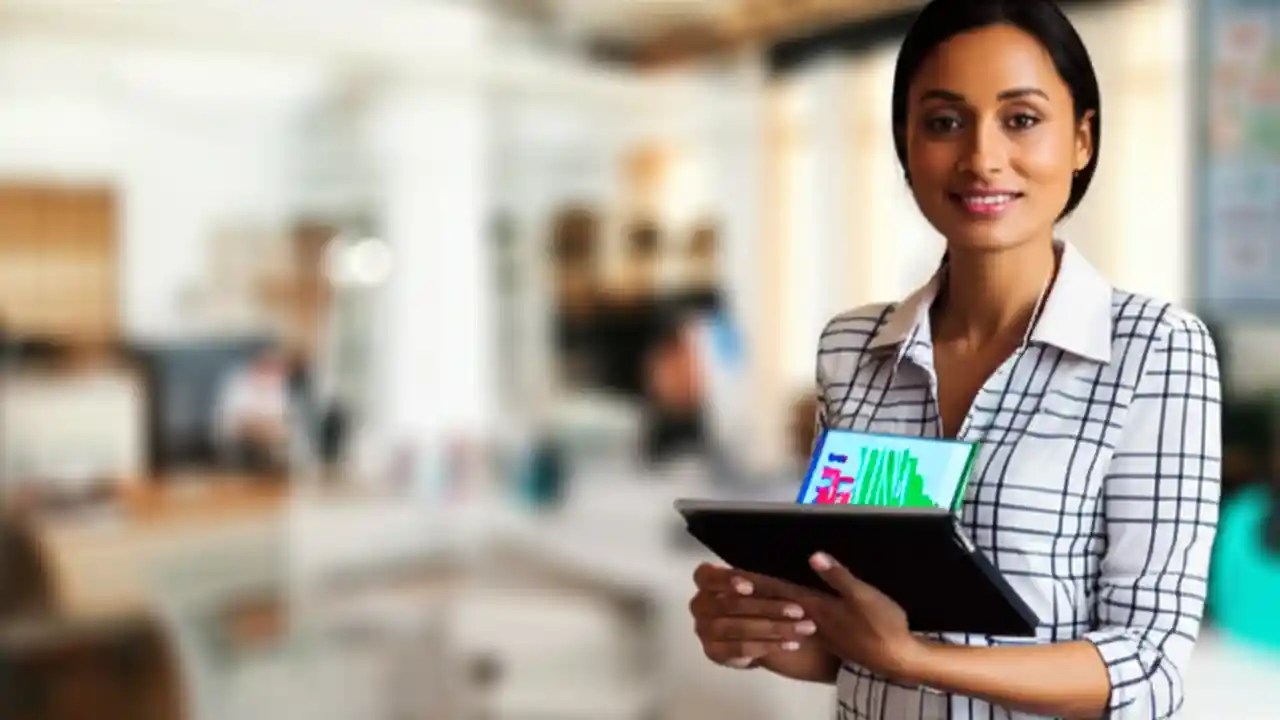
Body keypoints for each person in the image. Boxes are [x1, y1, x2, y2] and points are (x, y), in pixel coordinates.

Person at [688, 1, 1221, 718]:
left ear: (1082, 140)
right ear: (906, 143)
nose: (981, 157)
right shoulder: (851, 349)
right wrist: (755, 633)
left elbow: (1149, 667)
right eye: (944, 122)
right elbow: (852, 642)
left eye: (1021, 119)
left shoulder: (1157, 351)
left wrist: (913, 658)